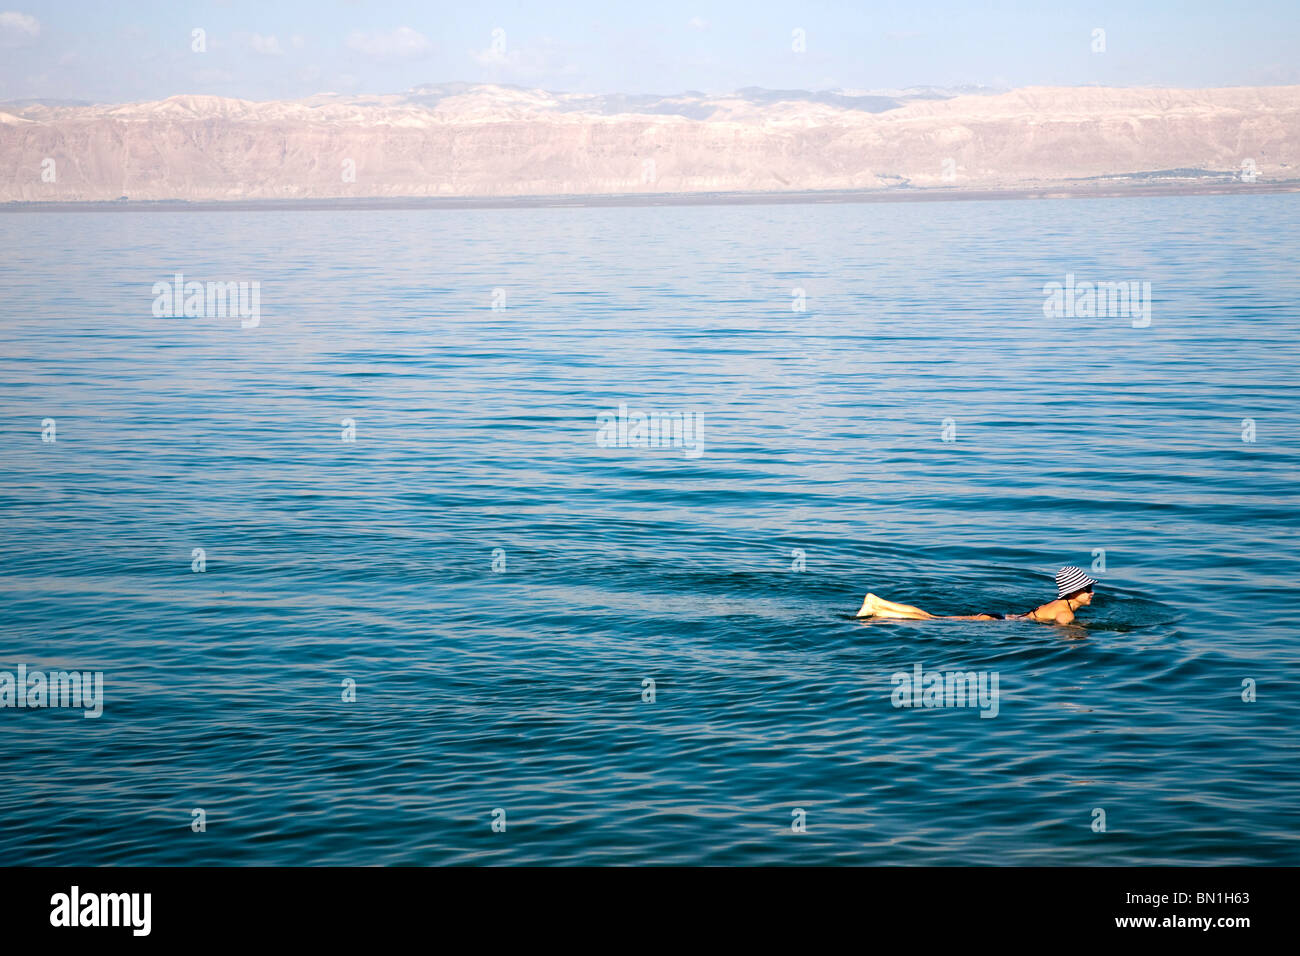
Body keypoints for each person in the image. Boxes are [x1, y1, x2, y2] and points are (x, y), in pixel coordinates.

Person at [856, 566, 1097, 625]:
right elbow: (1067, 633)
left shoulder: (1059, 604)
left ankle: (878, 608)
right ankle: (877, 604)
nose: (1091, 593)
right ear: (1073, 591)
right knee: (932, 619)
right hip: (996, 623)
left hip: (999, 618)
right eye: (1087, 589)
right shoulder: (1065, 613)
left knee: (934, 618)